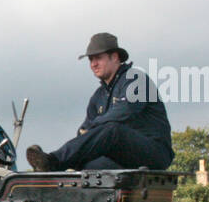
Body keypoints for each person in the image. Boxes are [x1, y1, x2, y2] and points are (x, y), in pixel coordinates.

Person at [26, 33, 174, 171]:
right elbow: (84, 134)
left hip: (154, 152)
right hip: (122, 157)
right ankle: (52, 181)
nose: (93, 64)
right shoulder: (98, 97)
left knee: (112, 130)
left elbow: (123, 113)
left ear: (115, 57)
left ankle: (53, 161)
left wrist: (92, 128)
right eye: (91, 59)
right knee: (89, 167)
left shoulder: (136, 80)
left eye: (98, 58)